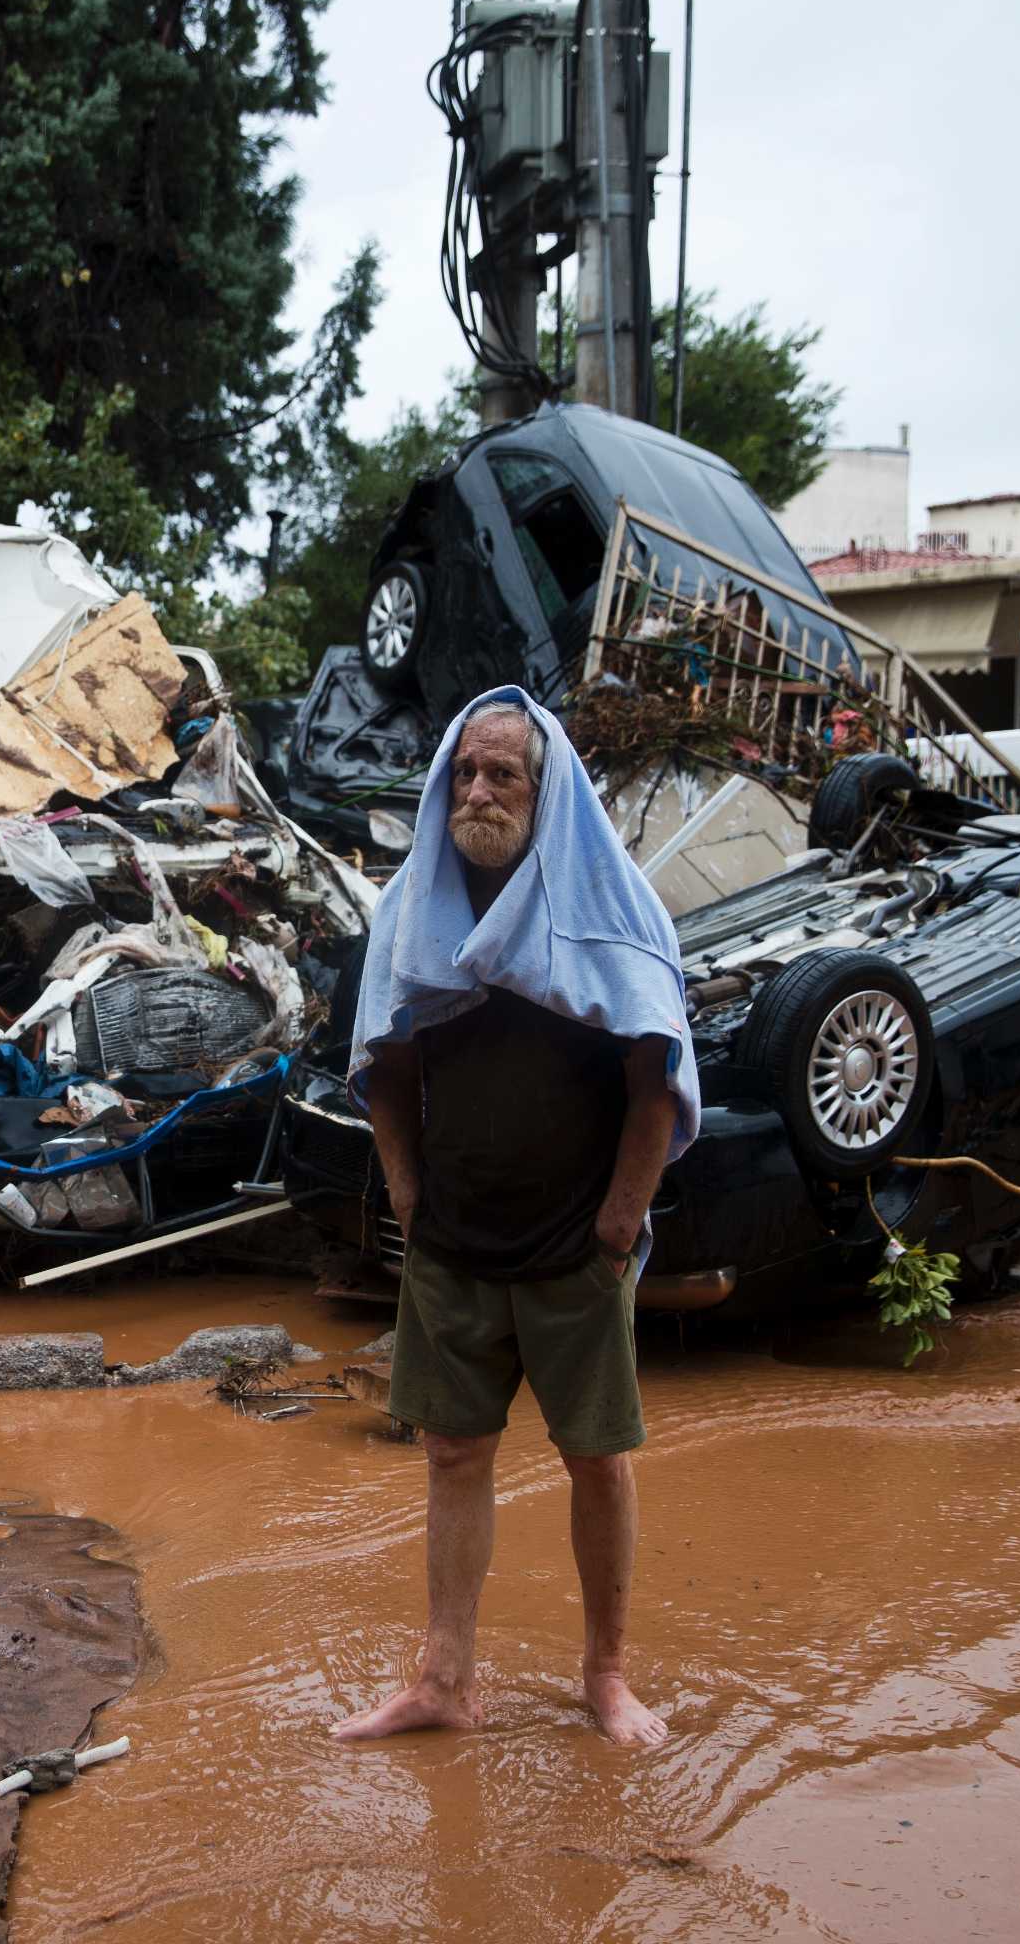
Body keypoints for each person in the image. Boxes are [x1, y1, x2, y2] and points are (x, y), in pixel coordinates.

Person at [332, 687, 700, 1749]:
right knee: (452, 1453)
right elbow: (386, 1061)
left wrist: (621, 1221)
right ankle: (444, 1679)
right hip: (453, 1239)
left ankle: (608, 1674)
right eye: (467, 771)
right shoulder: (414, 907)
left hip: (574, 1244)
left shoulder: (611, 905)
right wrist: (404, 1188)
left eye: (505, 773)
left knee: (598, 1458)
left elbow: (654, 1074)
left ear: (548, 792)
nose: (481, 790)